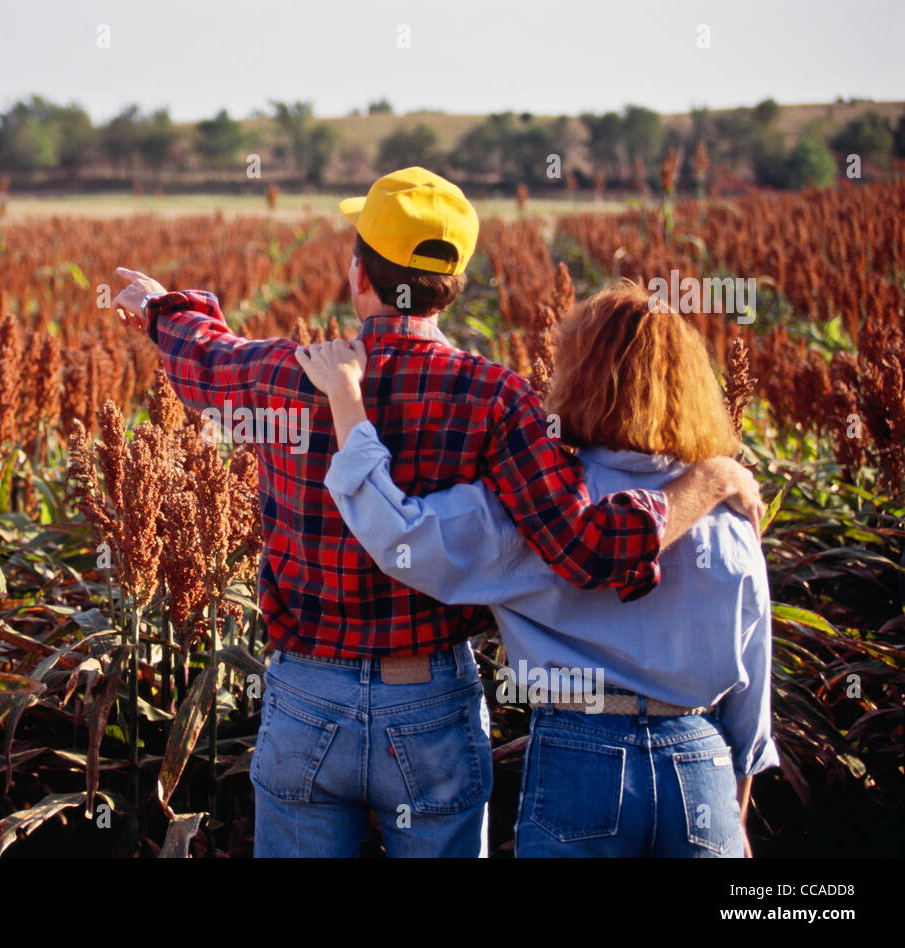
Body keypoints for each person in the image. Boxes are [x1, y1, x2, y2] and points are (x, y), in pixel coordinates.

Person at [110, 167, 763, 858]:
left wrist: (161, 308)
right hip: (429, 705)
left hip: (307, 693)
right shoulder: (499, 398)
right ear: (451, 287)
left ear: (358, 273)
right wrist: (709, 479)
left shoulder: (285, 374)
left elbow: (207, 358)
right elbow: (589, 550)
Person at [298, 281, 779, 857]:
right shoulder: (729, 514)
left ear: (574, 376)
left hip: (582, 759)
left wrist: (347, 400)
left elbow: (399, 532)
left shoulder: (535, 506)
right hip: (702, 761)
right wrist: (737, 814)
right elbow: (752, 693)